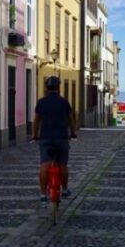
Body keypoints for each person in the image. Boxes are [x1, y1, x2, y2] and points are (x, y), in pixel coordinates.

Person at [32, 76, 77, 204]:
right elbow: (71, 120)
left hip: (45, 138)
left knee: (44, 164)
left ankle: (42, 194)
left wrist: (35, 135)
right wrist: (73, 133)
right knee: (62, 164)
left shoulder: (41, 102)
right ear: (58, 87)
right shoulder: (64, 102)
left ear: (46, 87)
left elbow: (36, 121)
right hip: (62, 138)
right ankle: (65, 189)